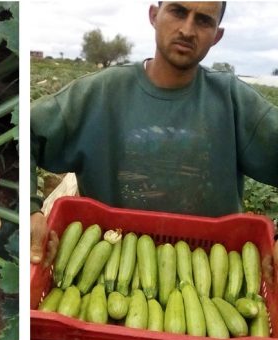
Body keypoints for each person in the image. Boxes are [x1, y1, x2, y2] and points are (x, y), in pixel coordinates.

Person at [30, 1, 278, 265]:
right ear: (154, 15)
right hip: (105, 263)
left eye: (203, 21)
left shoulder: (233, 101)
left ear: (217, 35)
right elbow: (26, 132)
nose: (187, 29)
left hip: (213, 266)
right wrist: (31, 211)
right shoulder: (99, 94)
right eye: (178, 12)